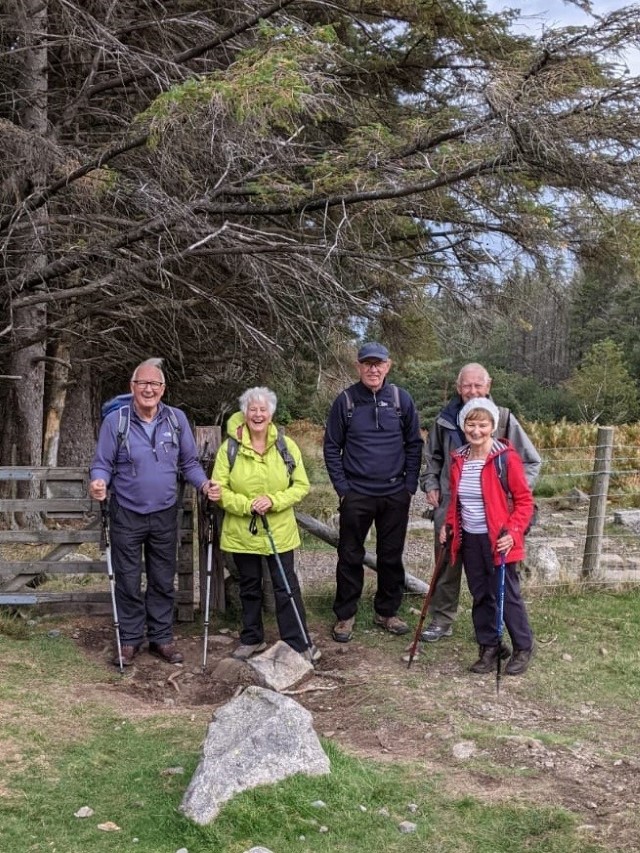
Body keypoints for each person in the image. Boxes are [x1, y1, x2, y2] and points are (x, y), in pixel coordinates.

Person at [89, 358, 220, 666]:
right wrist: (98, 482)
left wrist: (204, 485)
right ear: (132, 387)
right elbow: (102, 464)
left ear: (163, 389)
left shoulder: (176, 420)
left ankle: (161, 638)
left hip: (164, 513)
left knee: (163, 578)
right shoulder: (116, 422)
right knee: (128, 579)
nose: (148, 389)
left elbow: (189, 463)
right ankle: (130, 640)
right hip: (126, 513)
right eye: (142, 383)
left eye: (154, 384)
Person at [419, 363, 541, 643]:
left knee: (492, 571)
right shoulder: (445, 420)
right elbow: (432, 459)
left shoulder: (505, 419)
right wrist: (431, 484)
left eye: (478, 385)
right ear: (457, 387)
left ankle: (496, 625)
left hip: (494, 512)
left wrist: (510, 493)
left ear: (489, 386)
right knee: (446, 564)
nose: (472, 390)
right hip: (452, 505)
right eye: (466, 385)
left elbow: (531, 462)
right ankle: (442, 619)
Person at [323, 342, 423, 643]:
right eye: (367, 363)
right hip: (357, 494)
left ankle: (387, 611)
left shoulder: (400, 399)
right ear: (358, 366)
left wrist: (409, 486)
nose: (373, 369)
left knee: (391, 556)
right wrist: (343, 489)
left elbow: (414, 445)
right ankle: (345, 615)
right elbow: (331, 447)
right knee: (349, 554)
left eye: (378, 363)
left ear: (388, 366)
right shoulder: (346, 401)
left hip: (395, 493)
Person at [212, 387, 318, 661]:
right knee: (248, 586)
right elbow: (219, 489)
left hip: (279, 531)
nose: (257, 414)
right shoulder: (230, 448)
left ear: (271, 413)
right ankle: (252, 638)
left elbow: (301, 486)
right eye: (252, 409)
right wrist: (247, 505)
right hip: (241, 531)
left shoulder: (286, 446)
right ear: (244, 413)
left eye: (263, 409)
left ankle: (298, 642)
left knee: (285, 585)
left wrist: (273, 500)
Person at [441, 397, 535, 675]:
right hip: (470, 538)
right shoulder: (459, 458)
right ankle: (490, 647)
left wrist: (514, 532)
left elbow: (524, 501)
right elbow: (456, 501)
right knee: (480, 595)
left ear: (493, 426)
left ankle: (523, 647)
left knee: (508, 595)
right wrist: (448, 526)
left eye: (483, 424)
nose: (476, 430)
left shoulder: (505, 459)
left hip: (499, 540)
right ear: (463, 426)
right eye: (471, 424)